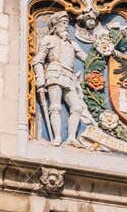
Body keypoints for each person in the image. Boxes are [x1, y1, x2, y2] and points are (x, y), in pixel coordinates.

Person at [34, 12, 94, 145]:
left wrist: (103, 51)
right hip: (54, 73)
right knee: (55, 107)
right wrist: (40, 79)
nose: (65, 27)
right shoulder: (48, 40)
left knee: (77, 108)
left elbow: (87, 58)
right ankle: (57, 137)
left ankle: (71, 138)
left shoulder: (71, 43)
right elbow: (38, 60)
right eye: (63, 23)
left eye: (67, 24)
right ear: (55, 25)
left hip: (70, 77)